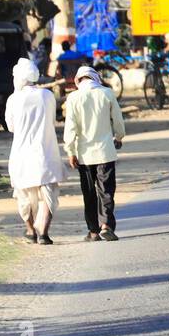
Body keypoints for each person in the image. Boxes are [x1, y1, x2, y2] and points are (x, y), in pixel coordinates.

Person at [63, 64, 126, 242]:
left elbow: (70, 128)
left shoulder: (73, 98)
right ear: (95, 78)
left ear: (78, 80)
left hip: (83, 154)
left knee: (89, 192)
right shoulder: (107, 93)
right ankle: (106, 225)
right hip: (105, 151)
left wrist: (70, 151)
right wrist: (119, 137)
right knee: (106, 191)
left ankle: (93, 231)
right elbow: (119, 121)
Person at [5, 57, 64, 244]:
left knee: (23, 195)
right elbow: (52, 120)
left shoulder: (13, 99)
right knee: (49, 194)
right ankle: (44, 232)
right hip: (46, 152)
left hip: (21, 154)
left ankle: (30, 230)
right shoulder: (47, 96)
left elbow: (11, 127)